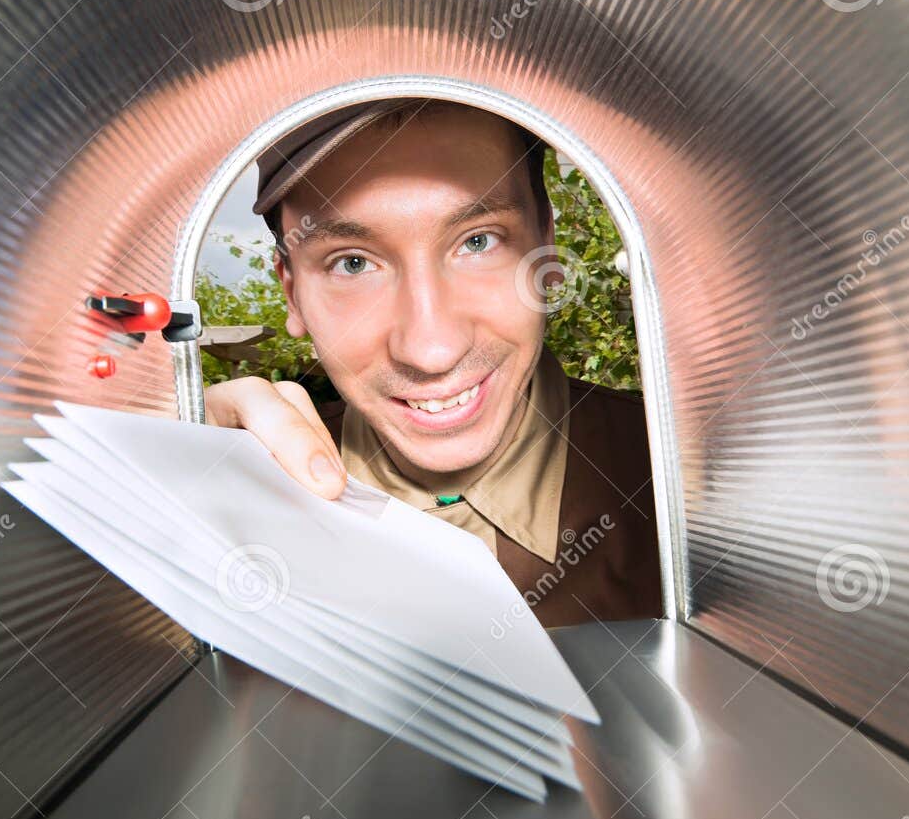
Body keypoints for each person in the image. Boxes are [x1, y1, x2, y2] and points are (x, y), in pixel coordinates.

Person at [204, 97, 662, 628]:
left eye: (478, 241)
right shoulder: (242, 507)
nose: (431, 350)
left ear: (546, 247)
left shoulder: (687, 480)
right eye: (352, 263)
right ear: (292, 293)